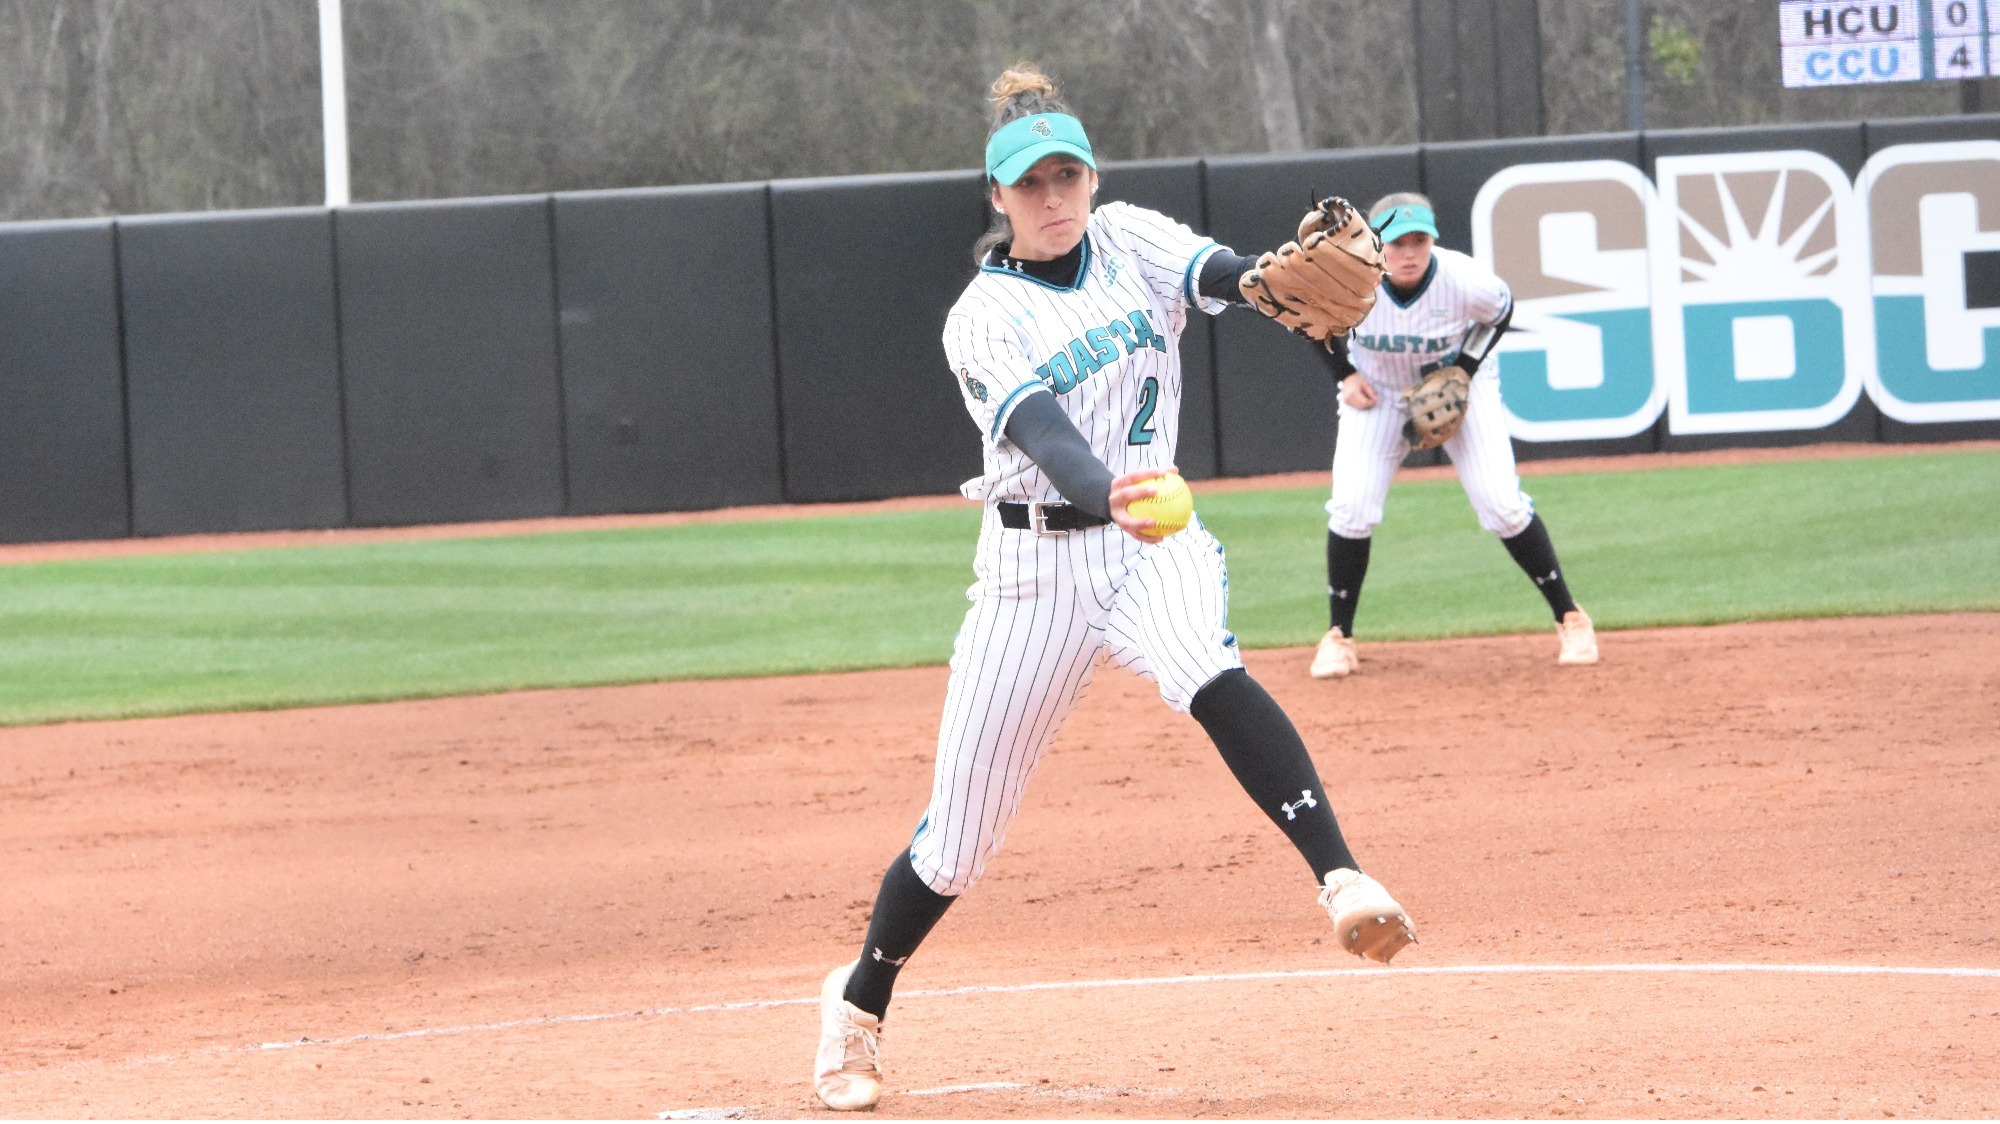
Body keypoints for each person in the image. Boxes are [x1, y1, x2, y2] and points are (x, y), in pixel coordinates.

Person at [812, 64, 1415, 1112]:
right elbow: (1041, 431)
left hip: (1150, 547)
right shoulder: (980, 315)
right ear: (993, 197)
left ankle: (1341, 875)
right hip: (1031, 568)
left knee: (1203, 662)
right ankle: (857, 1003)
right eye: (1029, 182)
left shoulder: (1128, 238)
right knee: (957, 840)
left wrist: (1258, 281)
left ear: (1091, 180)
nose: (1052, 197)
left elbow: (1228, 273)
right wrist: (1110, 489)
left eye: (1066, 176)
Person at [1309, 192, 1599, 680]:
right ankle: (1339, 635)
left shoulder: (1463, 279)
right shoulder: (1351, 277)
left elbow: (1501, 310)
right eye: (1398, 241)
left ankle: (1570, 616)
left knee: (1502, 505)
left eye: (1419, 240)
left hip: (1459, 388)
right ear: (1375, 240)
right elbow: (1311, 319)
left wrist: (1465, 367)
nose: (1409, 252)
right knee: (1352, 508)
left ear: (1432, 241)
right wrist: (1343, 374)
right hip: (1377, 391)